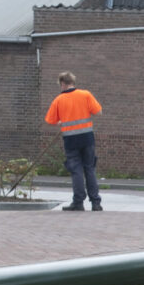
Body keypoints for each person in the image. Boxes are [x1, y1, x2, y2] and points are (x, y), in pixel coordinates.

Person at [44, 71, 103, 211]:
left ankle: (78, 202)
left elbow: (50, 120)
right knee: (89, 168)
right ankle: (96, 203)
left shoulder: (58, 100)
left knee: (76, 170)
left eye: (60, 85)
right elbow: (98, 112)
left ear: (63, 83)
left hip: (70, 140)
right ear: (73, 82)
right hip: (87, 138)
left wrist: (62, 122)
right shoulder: (85, 94)